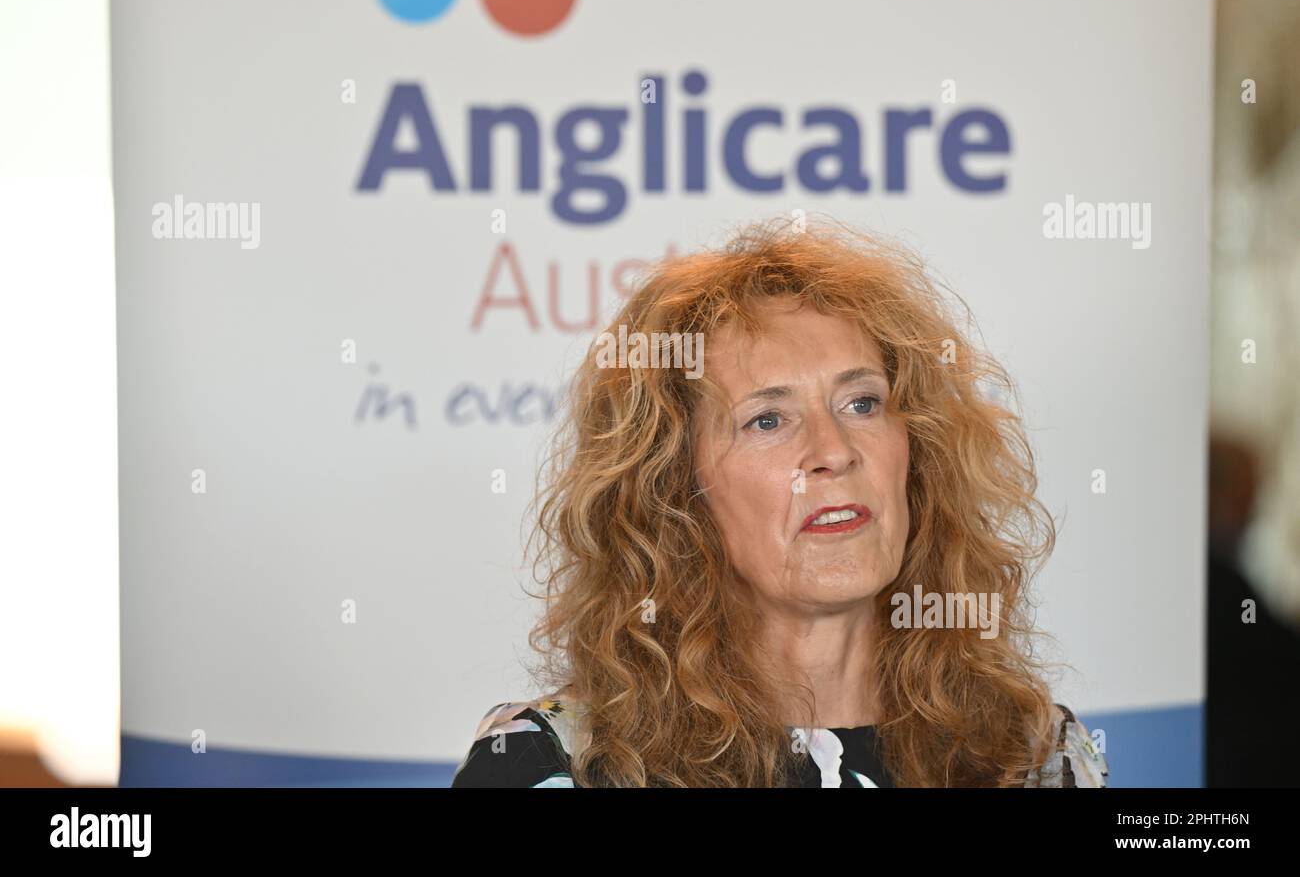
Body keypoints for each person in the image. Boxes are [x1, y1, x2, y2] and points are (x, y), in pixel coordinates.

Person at [451, 216, 1109, 787]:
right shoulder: (552, 764)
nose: (835, 450)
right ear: (674, 488)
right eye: (767, 419)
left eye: (862, 403)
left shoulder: (1034, 756)